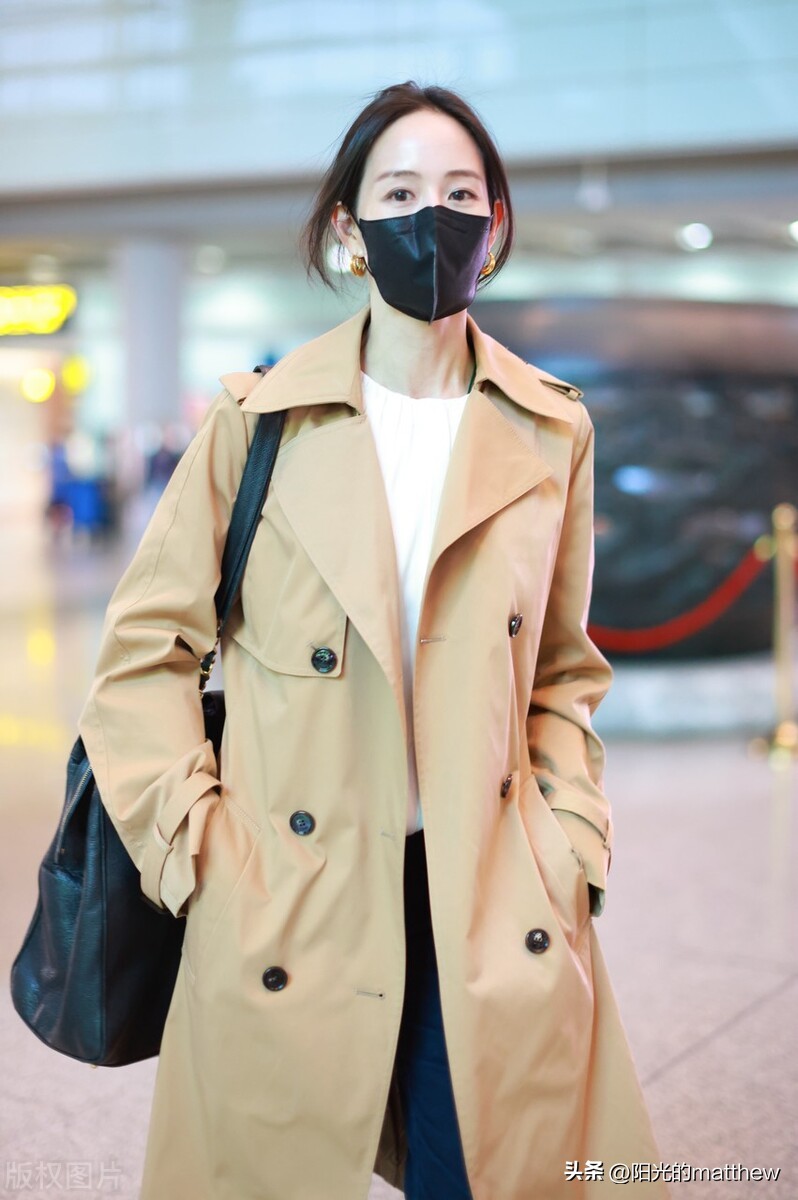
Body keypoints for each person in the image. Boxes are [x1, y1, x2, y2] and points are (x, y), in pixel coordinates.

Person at [77, 82, 671, 1200]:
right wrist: (196, 846)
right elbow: (141, 654)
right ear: (349, 228)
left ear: (492, 225)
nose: (428, 219)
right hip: (286, 893)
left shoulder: (551, 429)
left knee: (492, 1173)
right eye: (398, 194)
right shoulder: (257, 423)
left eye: (458, 194)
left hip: (489, 896)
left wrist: (571, 843)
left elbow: (560, 671)